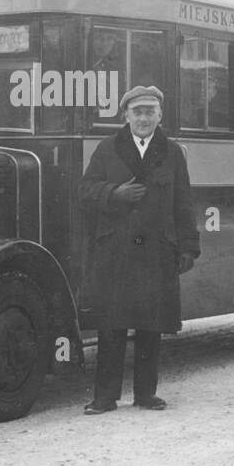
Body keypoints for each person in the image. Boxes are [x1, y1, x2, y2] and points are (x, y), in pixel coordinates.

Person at [78, 85, 199, 414]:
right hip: (116, 250)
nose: (144, 118)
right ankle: (105, 397)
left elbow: (183, 201)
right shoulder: (107, 149)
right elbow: (85, 190)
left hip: (157, 249)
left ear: (160, 116)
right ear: (126, 116)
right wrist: (113, 193)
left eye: (150, 112)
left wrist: (188, 246)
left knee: (151, 323)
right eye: (137, 112)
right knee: (112, 325)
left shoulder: (172, 152)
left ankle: (146, 394)